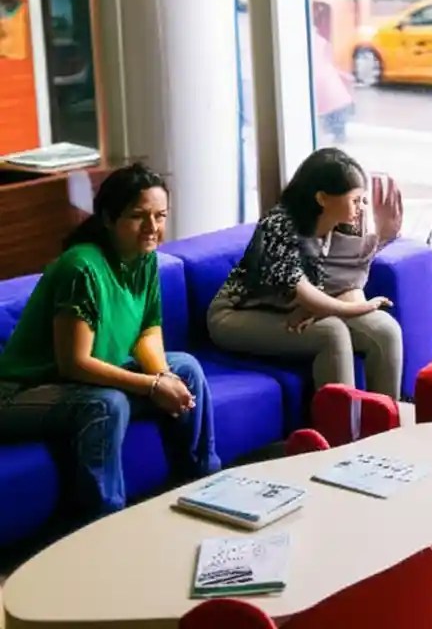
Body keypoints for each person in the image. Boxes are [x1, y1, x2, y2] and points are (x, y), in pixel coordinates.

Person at [0, 164, 220, 520]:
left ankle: (203, 486)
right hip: (21, 392)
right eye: (138, 216)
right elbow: (74, 363)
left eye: (160, 216)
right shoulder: (82, 268)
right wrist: (151, 386)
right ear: (107, 218)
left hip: (77, 381)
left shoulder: (143, 257)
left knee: (186, 370)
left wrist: (163, 378)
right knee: (105, 404)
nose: (152, 228)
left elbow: (148, 332)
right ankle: (103, 520)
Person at [208, 148, 404, 400]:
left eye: (362, 200)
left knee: (385, 330)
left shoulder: (343, 221)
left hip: (294, 306)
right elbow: (304, 293)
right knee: (331, 332)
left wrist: (385, 234)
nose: (361, 207)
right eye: (355, 200)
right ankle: (343, 434)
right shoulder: (278, 226)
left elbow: (349, 280)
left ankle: (385, 427)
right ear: (323, 198)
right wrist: (343, 308)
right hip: (239, 313)